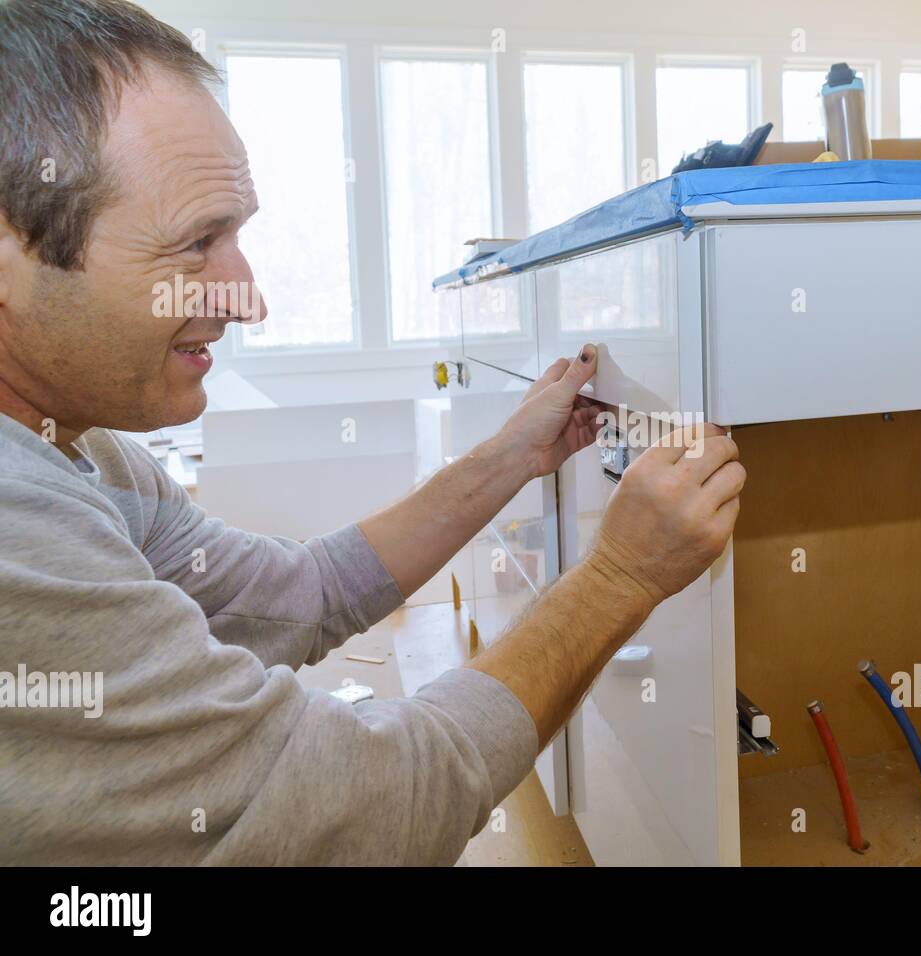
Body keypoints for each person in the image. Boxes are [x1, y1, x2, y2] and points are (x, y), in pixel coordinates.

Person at [0, 0, 744, 864]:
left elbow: (298, 594)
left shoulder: (90, 453)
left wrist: (512, 457)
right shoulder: (19, 529)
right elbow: (367, 811)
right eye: (196, 243)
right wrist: (620, 577)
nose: (249, 299)